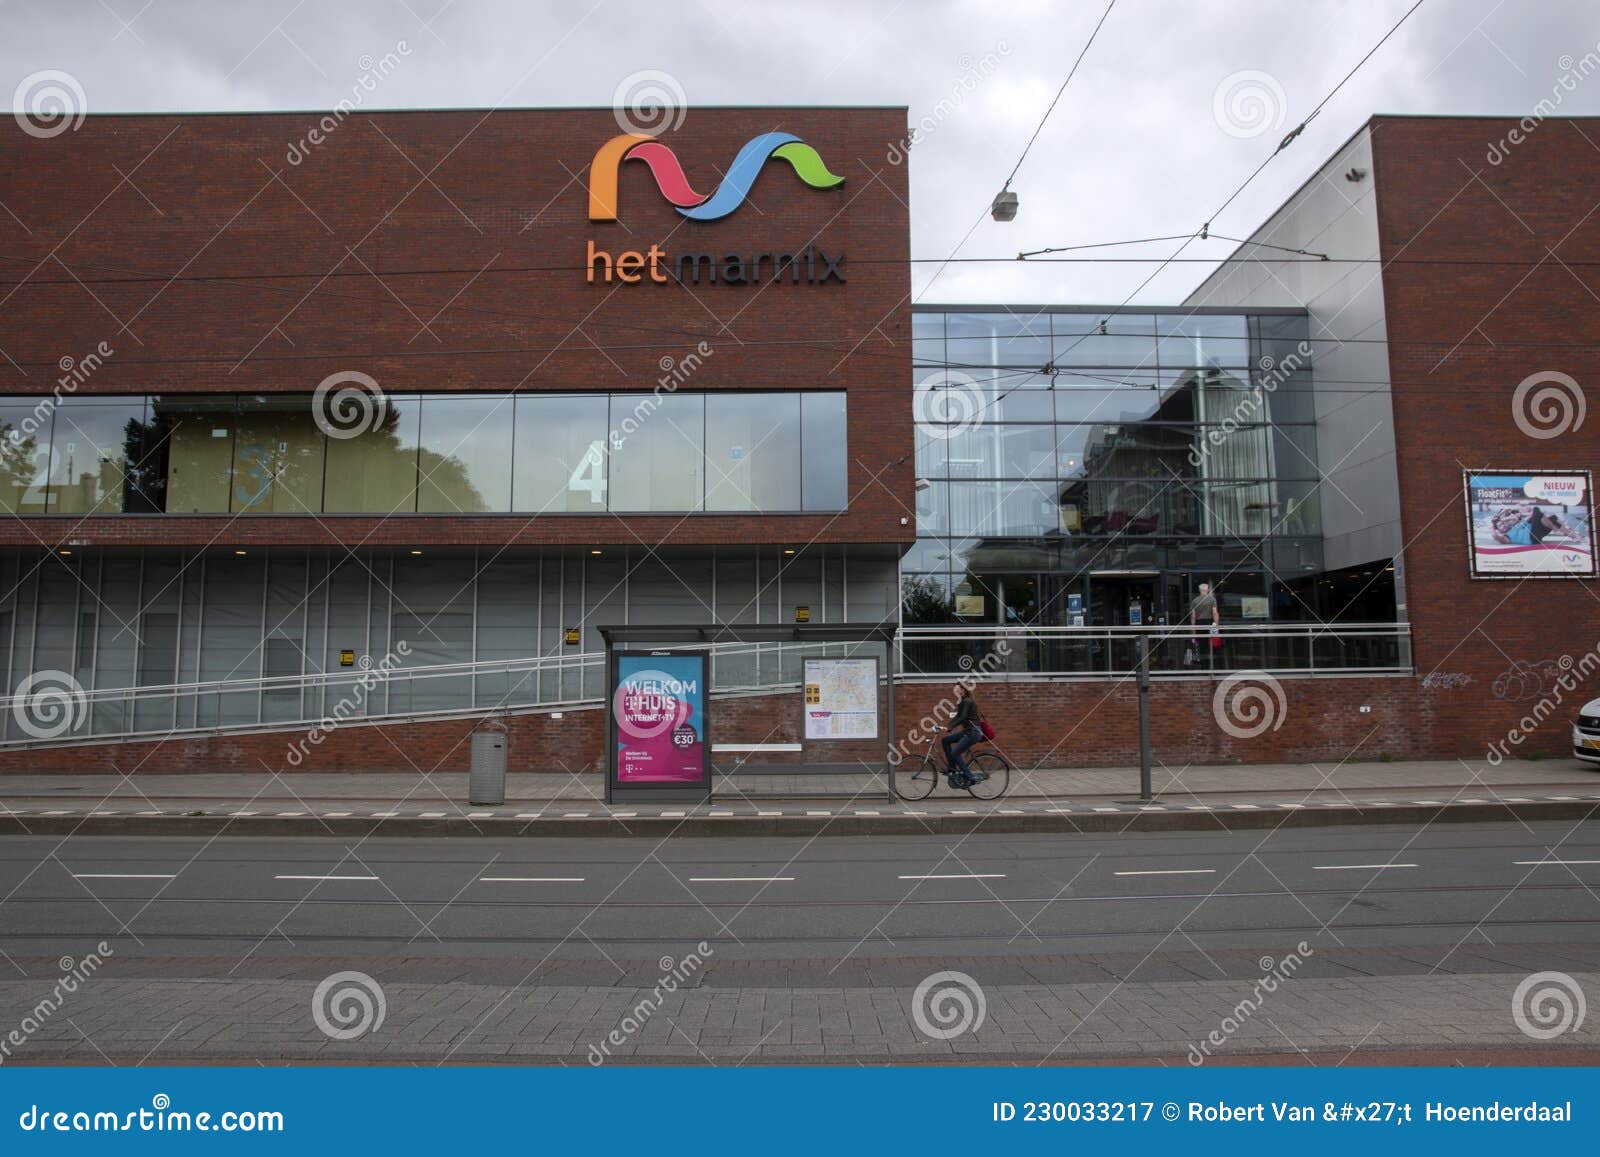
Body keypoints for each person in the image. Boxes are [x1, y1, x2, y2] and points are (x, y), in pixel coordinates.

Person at [941, 685, 986, 788]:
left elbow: (962, 717)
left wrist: (949, 728)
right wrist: (947, 726)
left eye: (958, 689)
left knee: (955, 753)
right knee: (945, 740)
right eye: (955, 689)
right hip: (967, 731)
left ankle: (970, 777)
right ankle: (952, 769)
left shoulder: (967, 701)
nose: (955, 690)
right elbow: (958, 716)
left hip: (973, 733)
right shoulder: (963, 701)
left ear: (963, 690)